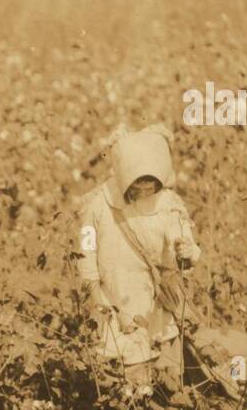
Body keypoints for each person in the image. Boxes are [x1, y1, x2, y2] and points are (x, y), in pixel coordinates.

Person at [75, 124, 201, 390]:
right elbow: (85, 254)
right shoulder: (96, 205)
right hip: (116, 300)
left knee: (168, 373)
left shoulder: (169, 204)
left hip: (159, 299)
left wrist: (188, 252)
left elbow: (185, 242)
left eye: (150, 186)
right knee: (130, 376)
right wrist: (96, 299)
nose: (145, 191)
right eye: (138, 185)